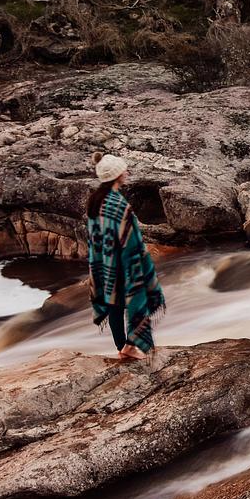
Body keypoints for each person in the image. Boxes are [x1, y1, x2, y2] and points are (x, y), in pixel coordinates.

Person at [86, 153, 165, 361]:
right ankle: (129, 346)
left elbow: (95, 237)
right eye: (124, 170)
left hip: (104, 262)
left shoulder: (96, 201)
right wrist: (140, 260)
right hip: (123, 262)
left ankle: (123, 347)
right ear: (115, 175)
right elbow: (129, 239)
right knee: (133, 300)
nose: (127, 172)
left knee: (114, 304)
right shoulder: (117, 203)